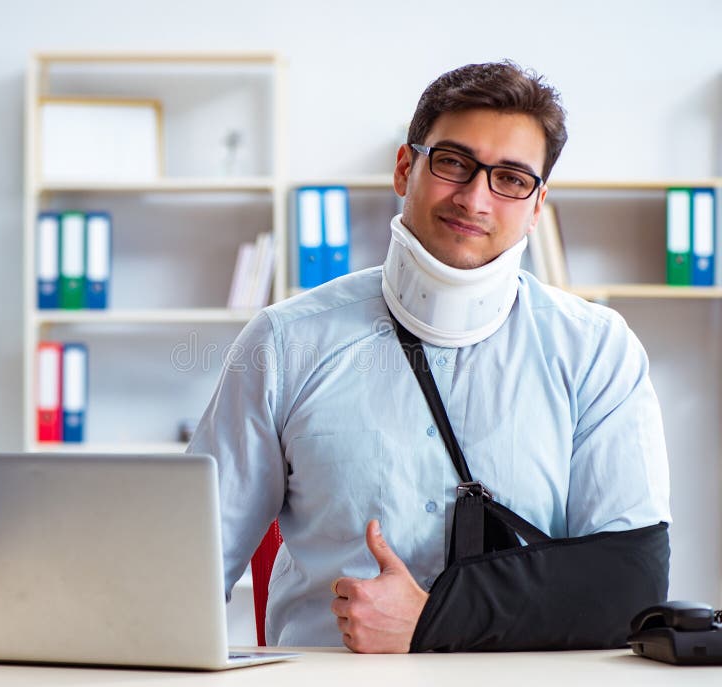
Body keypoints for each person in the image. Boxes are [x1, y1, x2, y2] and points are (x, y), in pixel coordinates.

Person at [188, 61, 671, 653]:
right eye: (453, 163)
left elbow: (629, 583)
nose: (475, 198)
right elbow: (186, 572)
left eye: (512, 179)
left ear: (538, 204)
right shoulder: (284, 341)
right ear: (404, 167)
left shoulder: (597, 350)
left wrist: (439, 618)